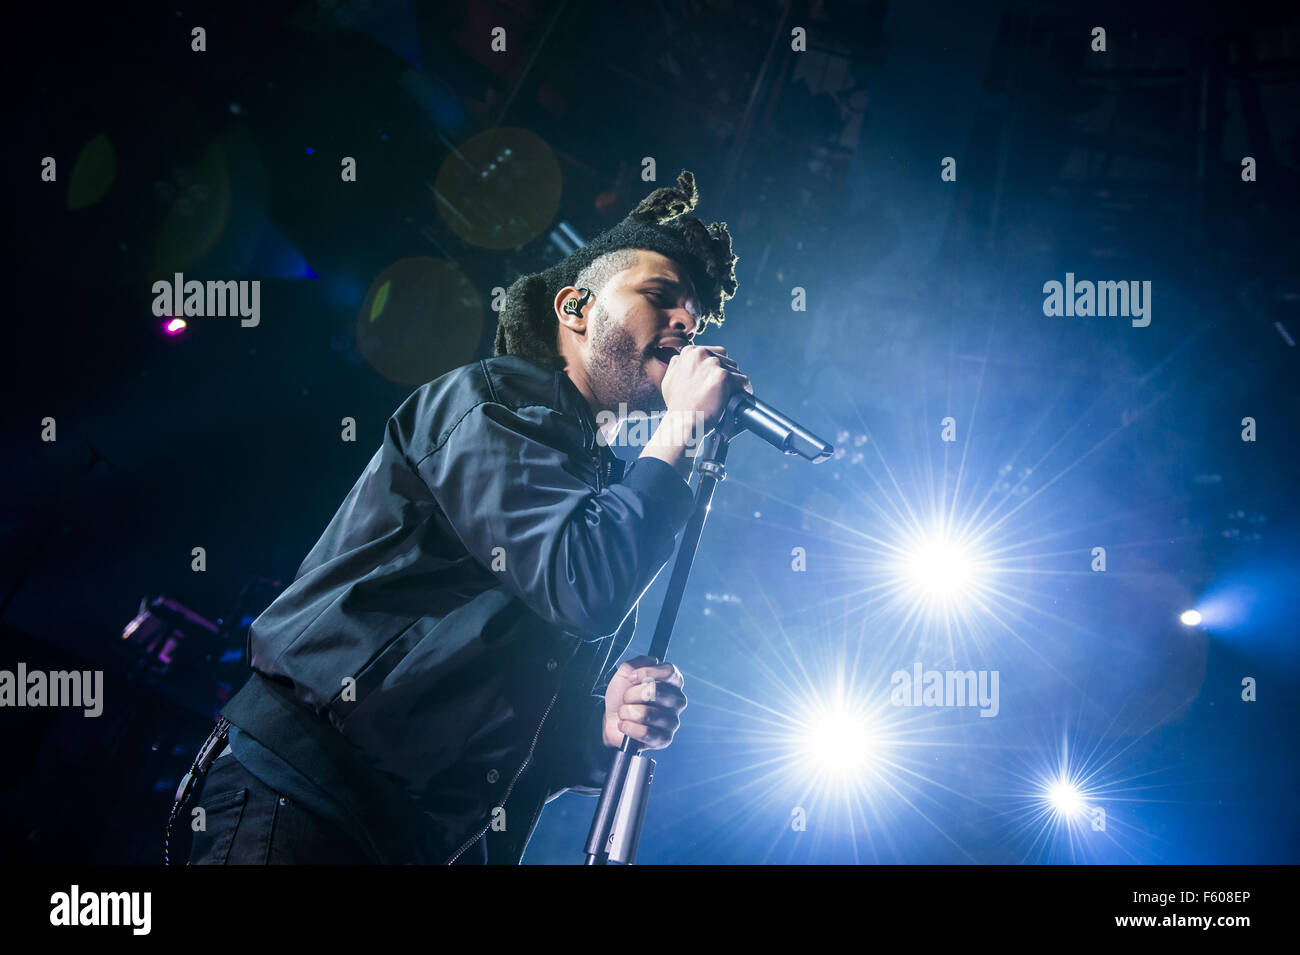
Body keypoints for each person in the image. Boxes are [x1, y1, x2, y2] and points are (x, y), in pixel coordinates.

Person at [179, 169, 749, 864]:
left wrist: (599, 723)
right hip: (307, 799)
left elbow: (512, 707)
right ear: (575, 308)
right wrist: (683, 427)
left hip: (411, 840)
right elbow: (588, 582)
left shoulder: (595, 487)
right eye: (660, 298)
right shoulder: (493, 407)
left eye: (693, 321)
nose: (683, 328)